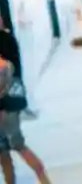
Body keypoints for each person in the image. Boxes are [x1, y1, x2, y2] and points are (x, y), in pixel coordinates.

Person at [0, 49, 50, 184]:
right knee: (9, 151)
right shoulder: (7, 65)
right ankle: (43, 179)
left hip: (5, 113)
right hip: (10, 112)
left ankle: (43, 178)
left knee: (13, 149)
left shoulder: (4, 67)